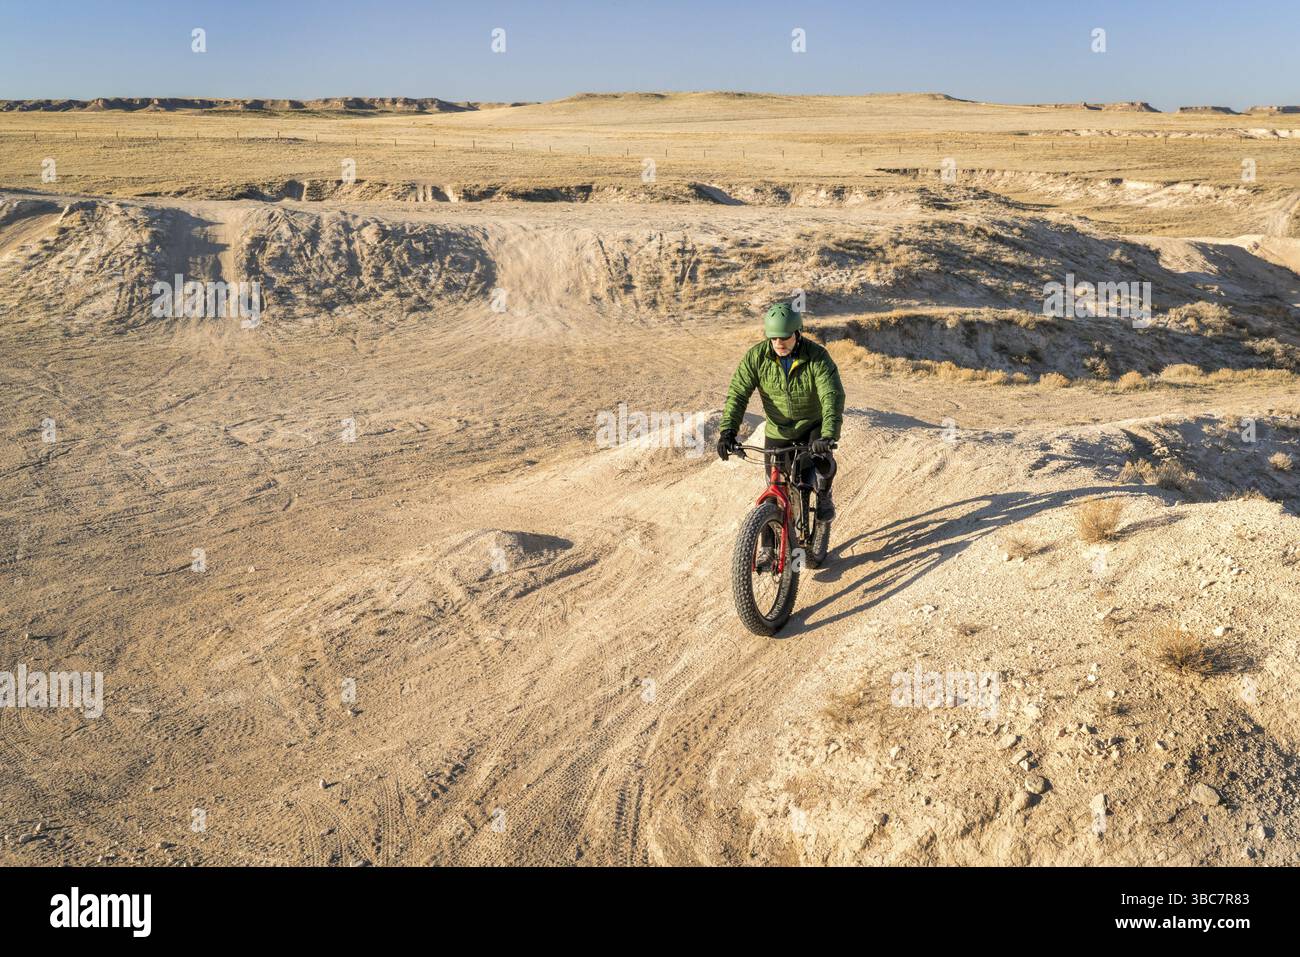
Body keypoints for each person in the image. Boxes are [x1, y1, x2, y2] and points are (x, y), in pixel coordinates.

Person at [716, 303, 845, 520]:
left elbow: (831, 395)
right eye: (774, 338)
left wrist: (828, 435)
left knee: (820, 464)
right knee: (774, 491)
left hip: (812, 426)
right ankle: (767, 549)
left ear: (797, 333)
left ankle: (824, 494)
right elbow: (738, 394)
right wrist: (727, 431)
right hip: (778, 431)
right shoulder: (756, 358)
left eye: (784, 337)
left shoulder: (817, 357)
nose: (778, 343)